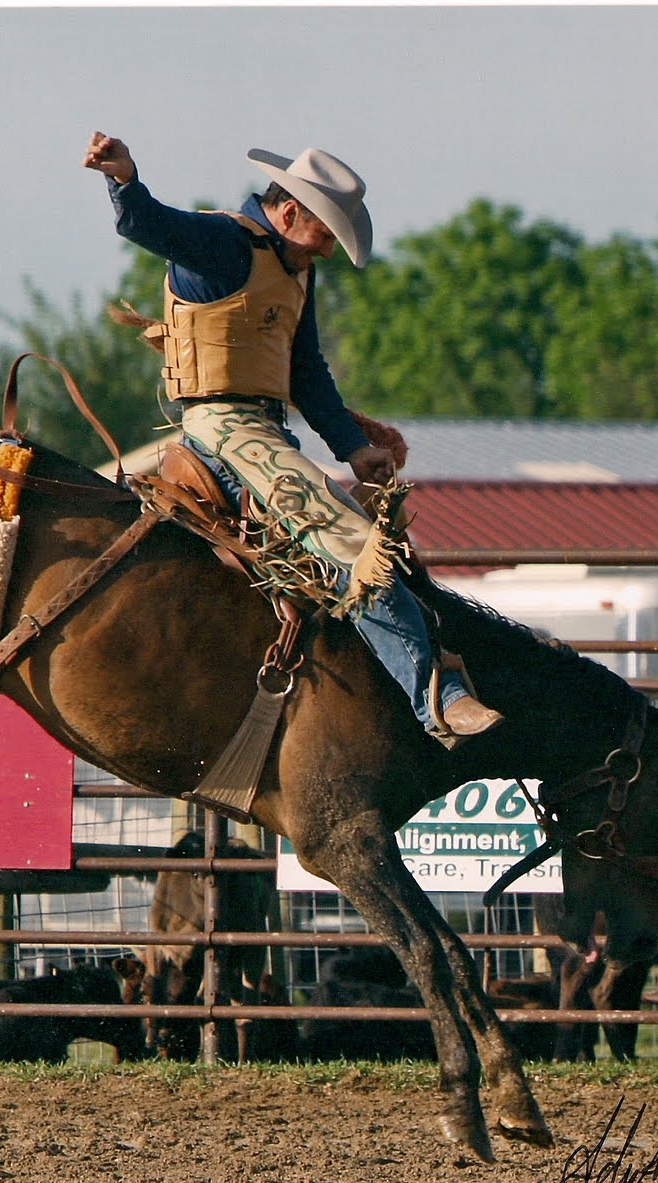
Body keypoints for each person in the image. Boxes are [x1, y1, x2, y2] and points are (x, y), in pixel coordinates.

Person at [84, 132, 501, 744]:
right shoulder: (225, 243)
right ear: (288, 213)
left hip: (262, 434)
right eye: (325, 235)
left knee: (376, 543)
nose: (327, 252)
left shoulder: (293, 270)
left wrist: (353, 448)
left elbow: (306, 371)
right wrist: (123, 179)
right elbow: (151, 225)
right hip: (221, 430)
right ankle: (435, 701)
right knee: (351, 543)